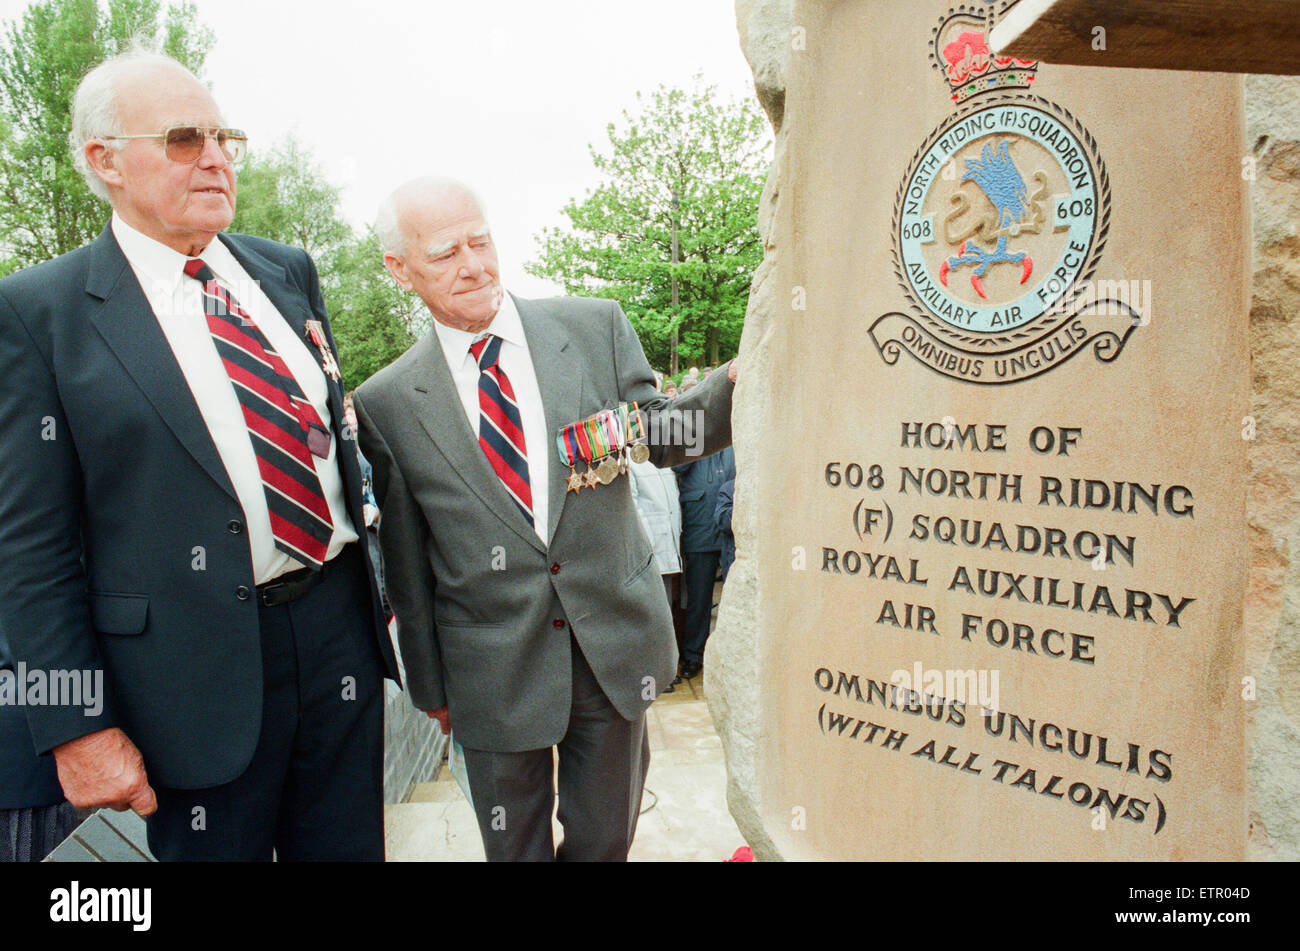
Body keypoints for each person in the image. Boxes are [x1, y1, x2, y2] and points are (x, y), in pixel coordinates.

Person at [0, 50, 398, 861]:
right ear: (103, 160)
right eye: (185, 139)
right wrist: (77, 724)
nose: (217, 157)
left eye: (225, 136)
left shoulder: (286, 271)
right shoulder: (38, 313)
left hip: (337, 638)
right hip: (185, 680)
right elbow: (28, 547)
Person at [354, 177, 736, 861]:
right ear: (399, 269)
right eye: (445, 253)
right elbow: (408, 568)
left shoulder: (592, 329)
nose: (473, 264)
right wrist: (432, 686)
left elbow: (661, 431)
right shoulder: (388, 403)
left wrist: (737, 384)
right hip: (491, 674)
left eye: (481, 240)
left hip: (612, 651)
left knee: (602, 843)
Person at [673, 446, 736, 681]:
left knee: (737, 596)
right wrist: (697, 432)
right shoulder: (696, 430)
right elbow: (677, 465)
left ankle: (734, 655)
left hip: (733, 527)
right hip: (699, 525)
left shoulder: (734, 428)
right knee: (698, 598)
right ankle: (693, 655)